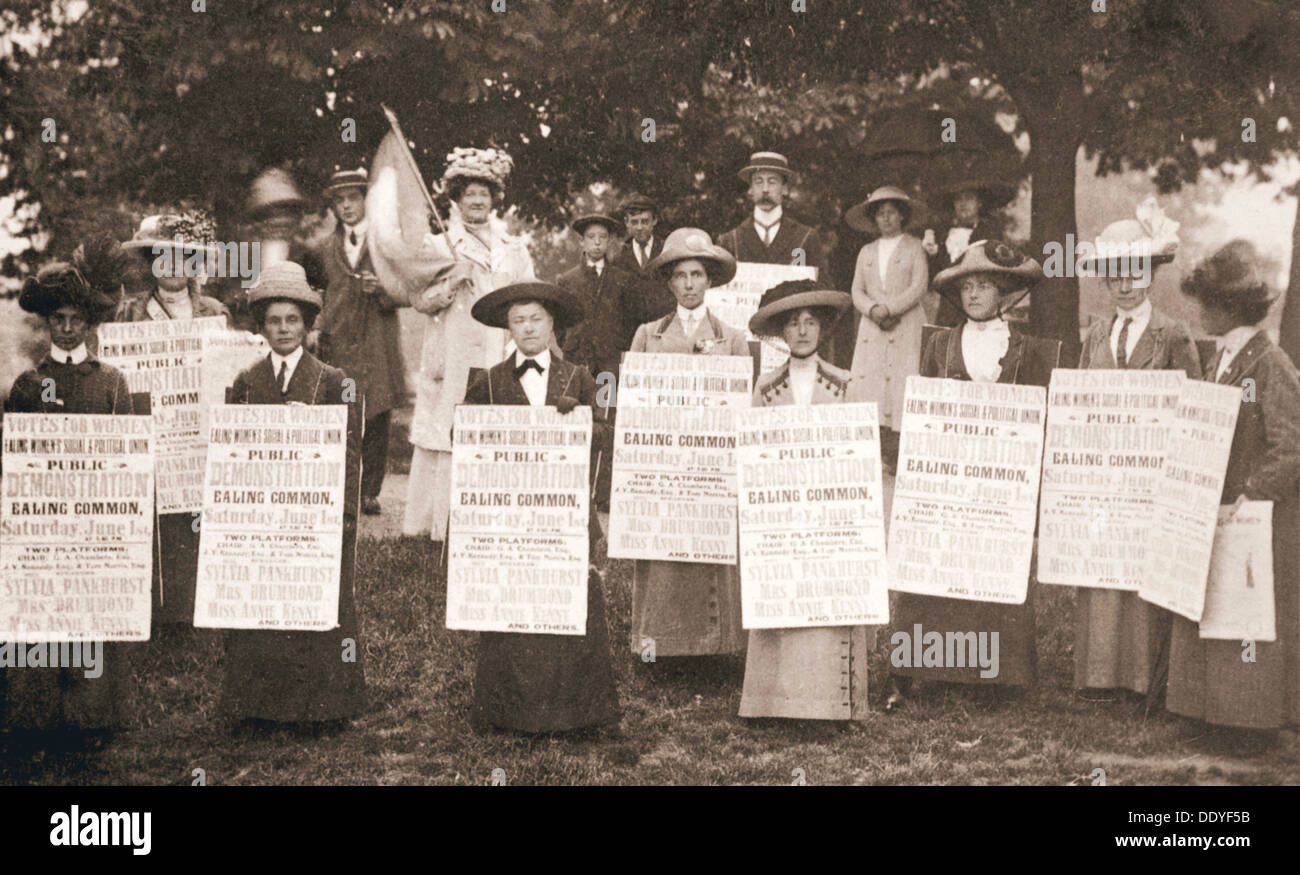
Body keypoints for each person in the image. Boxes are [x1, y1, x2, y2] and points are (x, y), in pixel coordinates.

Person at [888, 240, 1060, 706]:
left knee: (996, 572)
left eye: (985, 285)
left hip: (1000, 486)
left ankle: (996, 676)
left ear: (1003, 292)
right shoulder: (940, 344)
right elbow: (923, 415)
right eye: (967, 287)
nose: (975, 294)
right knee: (935, 572)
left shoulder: (1025, 349)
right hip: (948, 479)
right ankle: (923, 670)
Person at [460, 280, 621, 733]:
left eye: (536, 319)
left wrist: (578, 422)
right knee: (510, 606)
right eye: (518, 321)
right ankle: (507, 711)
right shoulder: (488, 381)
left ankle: (577, 713)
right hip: (509, 520)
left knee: (571, 606)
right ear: (507, 329)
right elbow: (463, 437)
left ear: (552, 325)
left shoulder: (579, 377)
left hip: (565, 517)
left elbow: (605, 436)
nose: (528, 328)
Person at [2, 240, 137, 753]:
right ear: (46, 323)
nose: (65, 328)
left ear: (89, 323)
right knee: (43, 613)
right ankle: (38, 719)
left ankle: (92, 719)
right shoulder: (27, 385)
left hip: (95, 526)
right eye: (57, 319)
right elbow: (13, 461)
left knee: (91, 617)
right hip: (43, 525)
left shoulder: (112, 384)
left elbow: (128, 462)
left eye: (75, 319)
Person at [221, 261, 366, 731]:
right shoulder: (246, 383)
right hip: (264, 520)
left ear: (306, 325)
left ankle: (323, 709)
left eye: (292, 320)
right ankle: (260, 707)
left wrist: (343, 516)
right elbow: (231, 456)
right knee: (263, 603)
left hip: (313, 521)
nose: (283, 329)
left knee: (318, 607)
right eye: (273, 321)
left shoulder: (333, 380)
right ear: (261, 327)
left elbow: (351, 452)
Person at [1167, 240, 1300, 737]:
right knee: (1219, 611)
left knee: (1248, 620)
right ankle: (1215, 713)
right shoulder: (1222, 358)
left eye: (1207, 302)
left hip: (1256, 518)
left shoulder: (1269, 362)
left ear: (1230, 306)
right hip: (1219, 508)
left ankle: (1250, 722)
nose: (1199, 311)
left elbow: (1292, 443)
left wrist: (1254, 492)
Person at [1073, 200, 1201, 702]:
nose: (1124, 285)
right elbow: (1079, 400)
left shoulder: (1173, 334)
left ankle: (1144, 677)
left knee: (1143, 567)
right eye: (1115, 275)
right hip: (1103, 473)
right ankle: (1099, 675)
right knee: (1104, 566)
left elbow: (1192, 404)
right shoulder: (1096, 333)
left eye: (1134, 273)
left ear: (1150, 274)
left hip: (1152, 476)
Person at [738, 279, 872, 721]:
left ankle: (830, 704)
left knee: (827, 605)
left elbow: (859, 461)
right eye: (793, 323)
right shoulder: (765, 387)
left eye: (810, 322)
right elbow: (754, 458)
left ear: (822, 328)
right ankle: (772, 701)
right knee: (781, 598)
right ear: (781, 331)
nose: (802, 331)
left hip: (828, 518)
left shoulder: (845, 384)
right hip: (781, 517)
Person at [628, 228, 752, 657]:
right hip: (664, 467)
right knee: (663, 555)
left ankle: (715, 649)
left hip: (711, 468)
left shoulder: (732, 338)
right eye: (680, 275)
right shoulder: (648, 335)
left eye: (697, 274)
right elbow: (634, 405)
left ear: (709, 280)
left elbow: (743, 410)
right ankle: (656, 648)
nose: (688, 284)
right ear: (669, 282)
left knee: (710, 550)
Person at [403, 147, 536, 543]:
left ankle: (488, 525)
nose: (477, 201)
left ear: (494, 200)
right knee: (443, 434)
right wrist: (448, 283)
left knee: (492, 433)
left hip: (499, 350)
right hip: (452, 352)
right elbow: (418, 299)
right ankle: (433, 528)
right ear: (457, 200)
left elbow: (529, 297)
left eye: (484, 194)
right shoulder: (438, 245)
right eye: (469, 194)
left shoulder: (513, 247)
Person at [115, 214, 232, 627]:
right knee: (156, 523)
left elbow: (227, 374)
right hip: (153, 434)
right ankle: (155, 611)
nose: (171, 265)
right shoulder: (130, 313)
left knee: (195, 522)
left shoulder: (213, 311)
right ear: (151, 262)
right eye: (162, 256)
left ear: (193, 263)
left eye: (181, 257)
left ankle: (196, 609)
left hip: (198, 436)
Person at [315, 168, 407, 516]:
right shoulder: (326, 248)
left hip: (376, 341)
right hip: (341, 342)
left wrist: (382, 290)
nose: (346, 206)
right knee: (344, 411)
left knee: (378, 413)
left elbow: (406, 291)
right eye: (339, 201)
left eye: (353, 198)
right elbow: (320, 293)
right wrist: (320, 326)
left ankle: (370, 491)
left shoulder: (386, 244)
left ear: (366, 201)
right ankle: (344, 488)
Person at [844, 186, 930, 471]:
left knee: (902, 382)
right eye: (880, 214)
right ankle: (874, 449)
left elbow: (919, 285)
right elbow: (857, 290)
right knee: (872, 383)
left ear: (902, 216)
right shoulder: (866, 251)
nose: (886, 218)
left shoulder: (914, 247)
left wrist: (891, 308)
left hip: (906, 324)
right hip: (873, 328)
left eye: (891, 212)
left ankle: (900, 452)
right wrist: (873, 310)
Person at [718, 152, 827, 278]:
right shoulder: (730, 241)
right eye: (758, 181)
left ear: (784, 188)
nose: (765, 189)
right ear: (750, 189)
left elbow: (822, 285)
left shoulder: (806, 238)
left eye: (772, 182)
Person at [921, 180, 1013, 327]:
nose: (963, 204)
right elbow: (935, 277)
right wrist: (933, 255)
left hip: (980, 307)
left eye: (969, 198)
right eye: (959, 199)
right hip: (948, 310)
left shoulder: (990, 233)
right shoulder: (944, 235)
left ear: (979, 203)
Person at [557, 212, 634, 383]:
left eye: (603, 237)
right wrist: (572, 345)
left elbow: (629, 322)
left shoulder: (621, 279)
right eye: (591, 237)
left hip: (610, 363)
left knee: (607, 400)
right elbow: (559, 325)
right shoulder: (567, 280)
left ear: (609, 241)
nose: (597, 242)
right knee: (576, 399)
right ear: (582, 241)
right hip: (576, 360)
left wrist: (616, 346)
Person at [612, 192, 673, 335]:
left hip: (664, 331)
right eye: (634, 222)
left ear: (654, 221)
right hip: (630, 335)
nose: (639, 227)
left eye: (645, 221)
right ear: (626, 222)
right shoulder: (618, 259)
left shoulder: (667, 252)